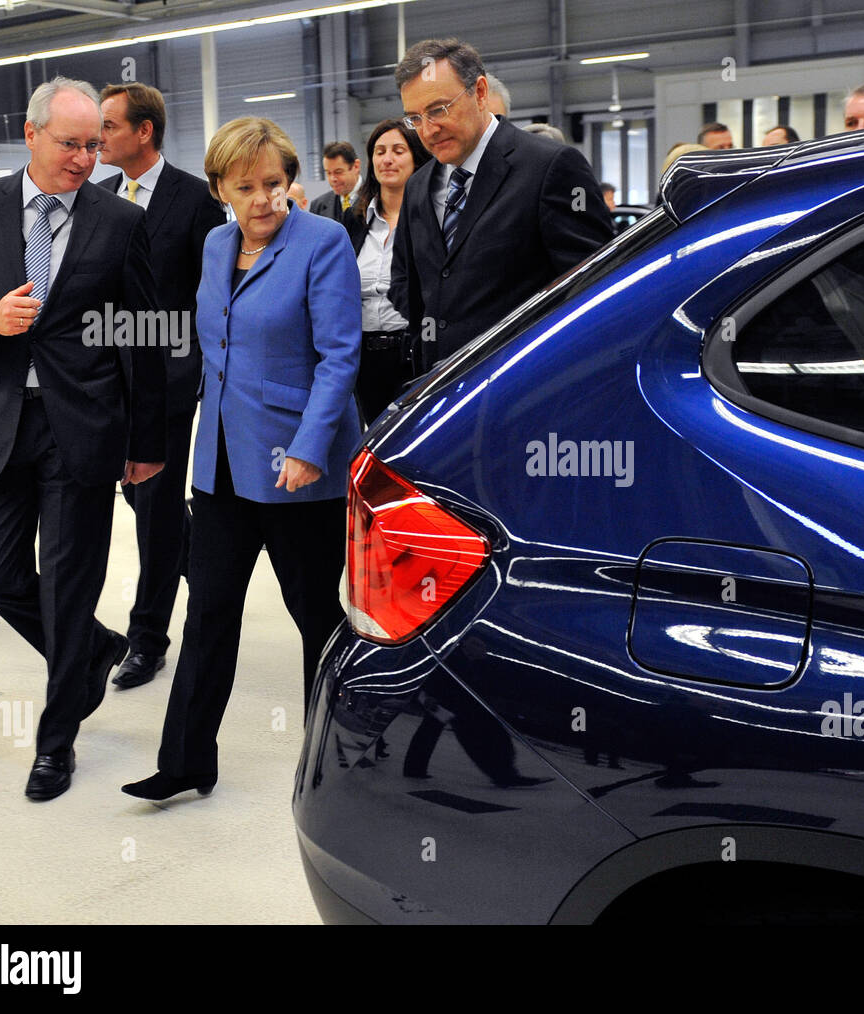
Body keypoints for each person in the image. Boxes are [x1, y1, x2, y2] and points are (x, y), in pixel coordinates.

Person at [0, 77, 165, 801]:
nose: (85, 159)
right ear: (31, 135)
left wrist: (148, 439)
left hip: (82, 428)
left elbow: (143, 336)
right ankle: (94, 649)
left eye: (95, 144)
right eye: (70, 144)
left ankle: (55, 743)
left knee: (68, 588)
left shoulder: (118, 221)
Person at [122, 117, 361, 802]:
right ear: (220, 189)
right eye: (246, 186)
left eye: (274, 184)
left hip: (298, 465)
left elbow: (339, 356)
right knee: (208, 612)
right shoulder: (215, 243)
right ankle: (186, 762)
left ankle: (334, 761)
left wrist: (310, 449)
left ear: (290, 182)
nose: (263, 199)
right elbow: (214, 348)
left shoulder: (323, 241)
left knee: (316, 617)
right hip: (223, 462)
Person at [97, 82, 227, 692]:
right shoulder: (97, 197)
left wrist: (195, 366)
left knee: (152, 511)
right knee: (141, 497)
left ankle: (147, 638)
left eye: (109, 125)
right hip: (106, 378)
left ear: (144, 131)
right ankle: (202, 561)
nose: (98, 137)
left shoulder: (194, 199)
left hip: (168, 380)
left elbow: (212, 293)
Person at [390, 37, 613, 374]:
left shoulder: (549, 167)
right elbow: (407, 281)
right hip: (440, 382)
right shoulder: (419, 186)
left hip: (525, 378)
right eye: (415, 119)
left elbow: (593, 285)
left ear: (480, 92)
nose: (428, 130)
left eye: (438, 110)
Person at [350, 117, 431, 427]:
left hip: (415, 352)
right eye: (380, 151)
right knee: (374, 439)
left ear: (416, 158)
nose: (387, 159)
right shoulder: (355, 220)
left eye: (398, 150)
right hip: (365, 357)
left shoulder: (432, 216)